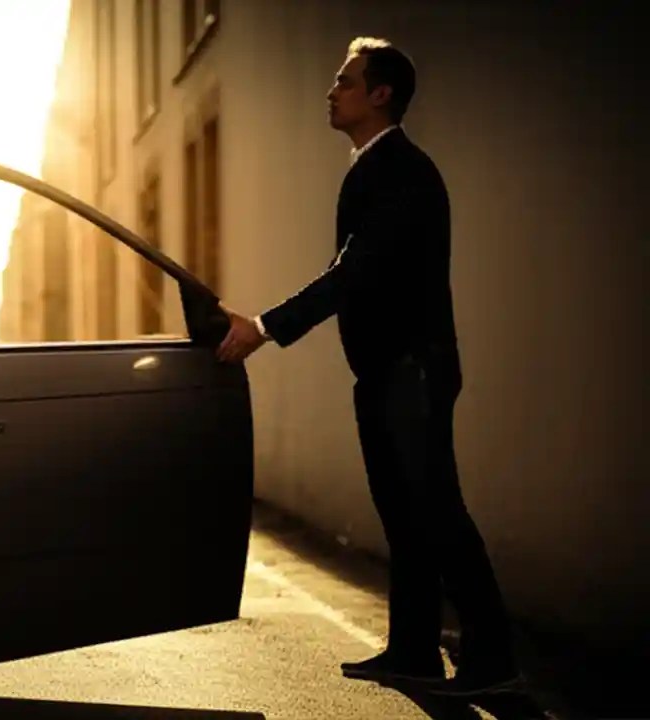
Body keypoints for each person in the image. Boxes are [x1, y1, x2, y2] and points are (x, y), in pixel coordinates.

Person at [215, 37, 521, 696]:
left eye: (345, 80)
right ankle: (412, 650)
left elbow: (355, 272)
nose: (332, 90)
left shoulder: (399, 170)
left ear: (380, 94)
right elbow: (356, 273)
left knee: (436, 510)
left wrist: (266, 327)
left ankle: (493, 660)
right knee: (405, 514)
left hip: (412, 370)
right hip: (386, 371)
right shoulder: (373, 169)